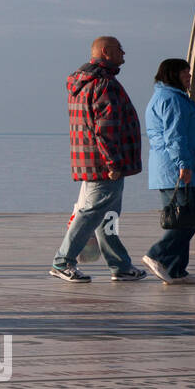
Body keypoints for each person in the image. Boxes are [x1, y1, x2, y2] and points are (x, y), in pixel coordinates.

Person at [49, 36, 146, 283]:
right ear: (105, 52)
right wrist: (113, 163)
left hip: (90, 160)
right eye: (119, 49)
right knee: (91, 213)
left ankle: (120, 265)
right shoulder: (105, 85)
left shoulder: (82, 83)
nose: (124, 53)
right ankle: (62, 262)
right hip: (105, 164)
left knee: (108, 216)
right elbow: (105, 129)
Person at [142, 59, 195, 284]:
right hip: (176, 169)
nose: (189, 76)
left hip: (169, 168)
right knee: (190, 217)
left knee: (182, 218)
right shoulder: (172, 99)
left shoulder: (167, 96)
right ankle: (157, 255)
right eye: (184, 73)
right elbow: (174, 135)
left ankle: (176, 270)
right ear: (172, 75)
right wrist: (183, 164)